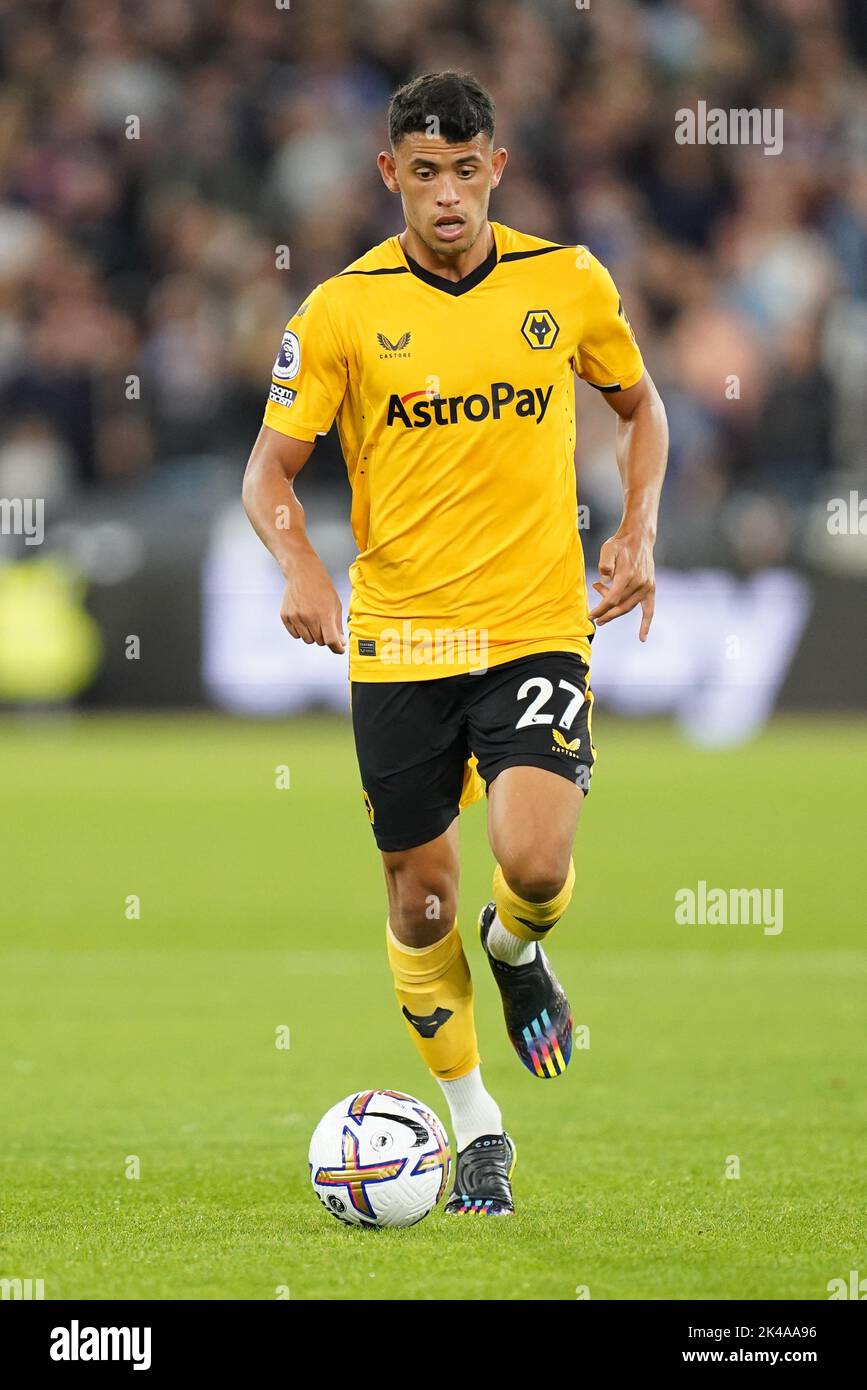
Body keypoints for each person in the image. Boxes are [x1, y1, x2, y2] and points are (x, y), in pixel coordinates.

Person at [242, 70, 668, 1215]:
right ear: (390, 174)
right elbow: (268, 470)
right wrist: (299, 564)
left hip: (535, 624)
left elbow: (640, 405)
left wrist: (637, 527)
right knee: (419, 902)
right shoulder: (339, 309)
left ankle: (519, 943)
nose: (445, 196)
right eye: (423, 173)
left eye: (465, 172)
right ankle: (476, 1125)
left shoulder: (566, 281)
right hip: (400, 639)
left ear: (498, 171)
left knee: (531, 864)